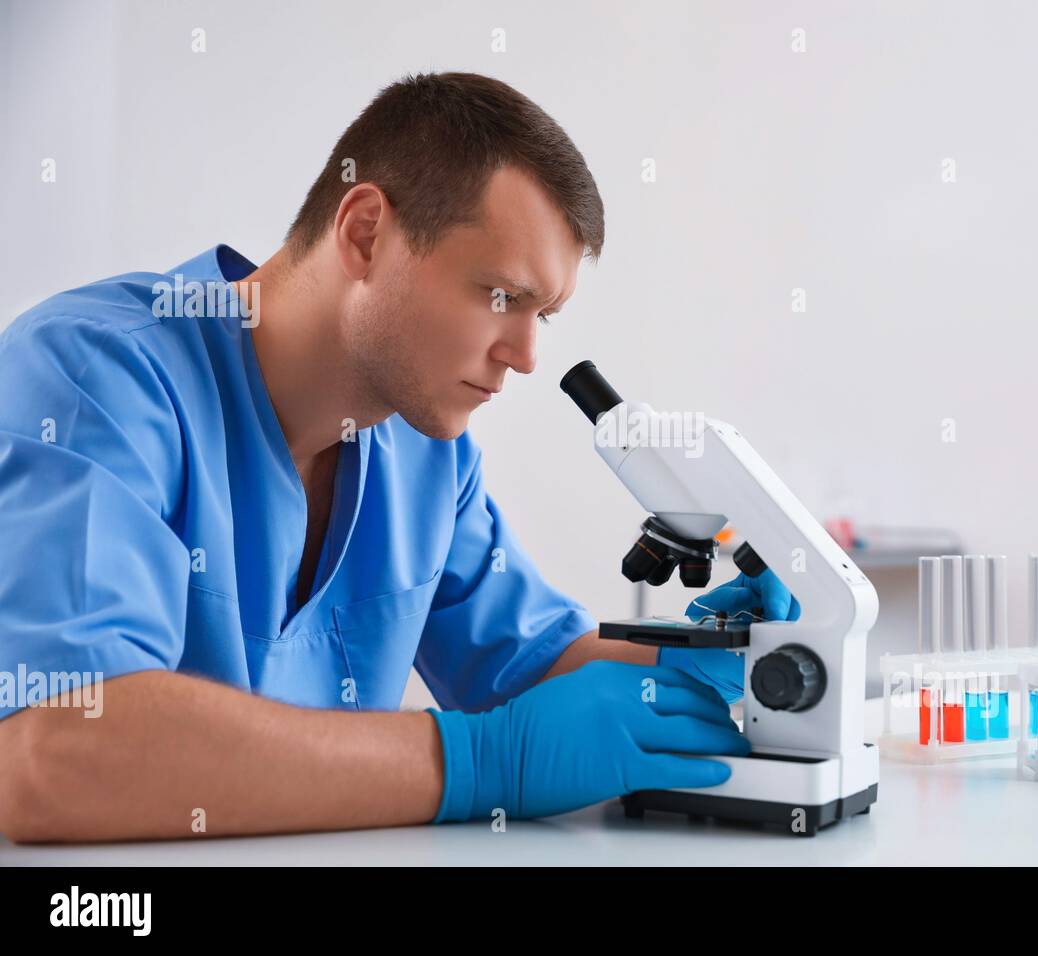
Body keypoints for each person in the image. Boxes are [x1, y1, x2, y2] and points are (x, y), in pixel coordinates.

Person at [0, 71, 796, 842]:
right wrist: (477, 763)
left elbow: (536, 668)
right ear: (365, 232)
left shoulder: (423, 451)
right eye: (501, 297)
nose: (523, 356)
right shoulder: (91, 379)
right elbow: (57, 751)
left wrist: (736, 653)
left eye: (543, 317)